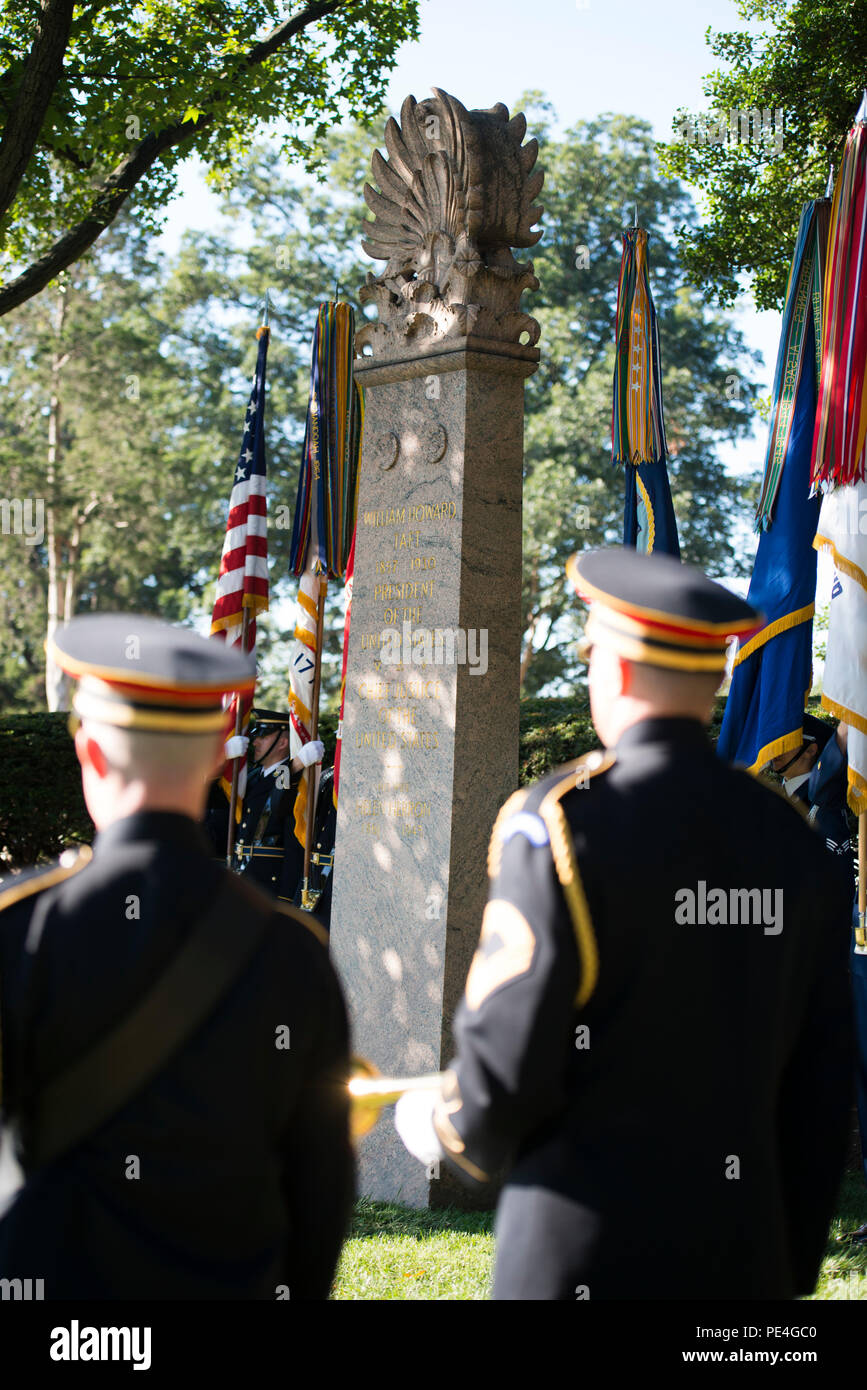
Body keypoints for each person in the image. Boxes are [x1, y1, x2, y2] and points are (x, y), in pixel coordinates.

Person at [396, 546, 854, 1300]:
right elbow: (820, 1076)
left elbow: (511, 1057)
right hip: (744, 1260)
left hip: (584, 1252)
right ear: (715, 678)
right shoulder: (787, 837)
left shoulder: (561, 821)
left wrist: (445, 1124)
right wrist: (787, 1256)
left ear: (607, 668)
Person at [0, 615, 353, 1299]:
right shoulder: (292, 955)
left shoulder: (21, 930)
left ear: (91, 757)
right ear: (215, 764)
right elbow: (320, 1195)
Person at [207, 708, 324, 904]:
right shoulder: (249, 777)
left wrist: (286, 899)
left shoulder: (296, 779)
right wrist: (222, 758)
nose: (255, 742)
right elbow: (211, 799)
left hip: (268, 886)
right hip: (239, 878)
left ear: (283, 742)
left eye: (262, 737)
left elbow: (280, 808)